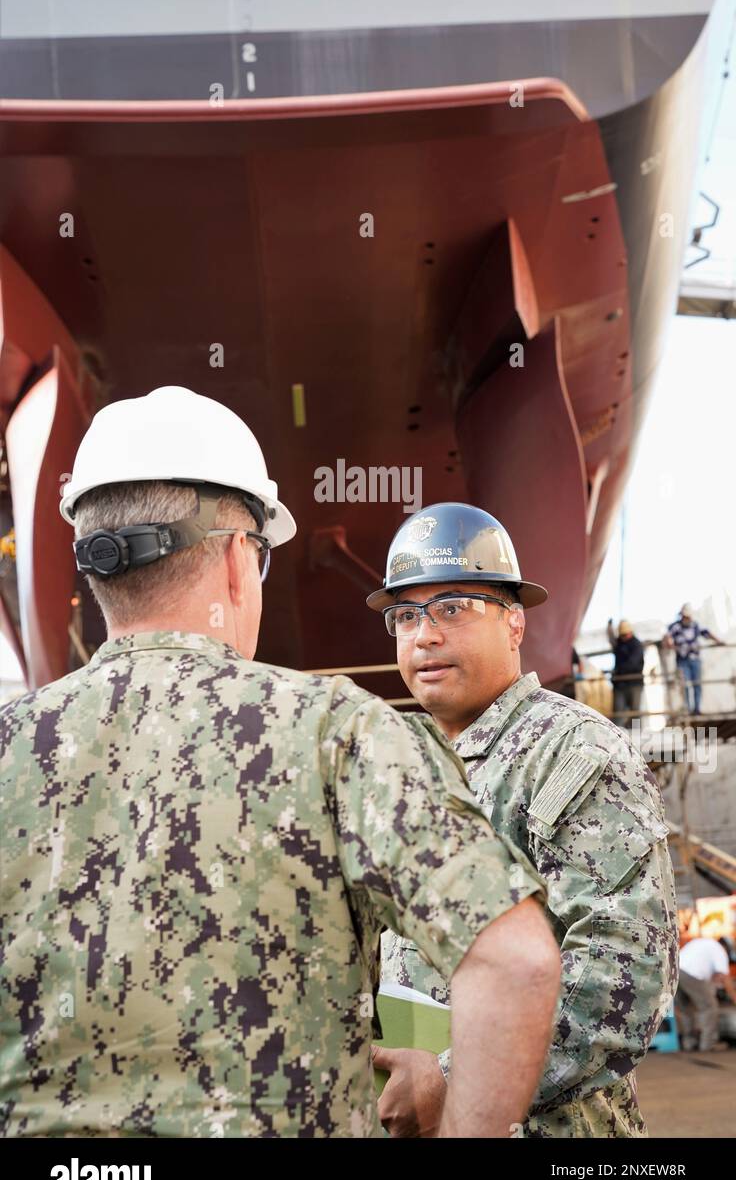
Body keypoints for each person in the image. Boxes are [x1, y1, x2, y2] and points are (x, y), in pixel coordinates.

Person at [0, 389, 561, 1140]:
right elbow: (518, 962)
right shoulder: (339, 731)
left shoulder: (10, 745)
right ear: (239, 558)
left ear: (94, 567)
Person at [368, 502, 678, 1139]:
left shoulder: (573, 753)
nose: (423, 635)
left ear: (513, 623)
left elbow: (623, 978)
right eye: (405, 615)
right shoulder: (403, 761)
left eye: (452, 608)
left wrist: (453, 1082)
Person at [675, 936, 736, 1052]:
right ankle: (706, 1045)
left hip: (675, 972)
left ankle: (689, 1043)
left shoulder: (704, 942)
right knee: (710, 1007)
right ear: (727, 948)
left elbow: (711, 977)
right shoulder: (720, 950)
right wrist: (734, 998)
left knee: (685, 1010)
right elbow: (726, 979)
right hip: (691, 975)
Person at [664, 603, 725, 717]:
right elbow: (667, 637)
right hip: (682, 660)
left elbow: (706, 633)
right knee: (685, 684)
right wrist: (670, 644)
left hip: (695, 659)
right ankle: (687, 709)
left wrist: (718, 641)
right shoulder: (675, 627)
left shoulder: (695, 625)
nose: (686, 618)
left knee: (697, 684)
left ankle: (696, 709)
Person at [607, 618, 645, 729]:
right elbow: (612, 640)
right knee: (618, 712)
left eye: (625, 635)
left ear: (630, 633)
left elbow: (633, 663)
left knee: (635, 711)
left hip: (634, 683)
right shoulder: (619, 643)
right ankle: (616, 733)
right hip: (620, 684)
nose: (623, 637)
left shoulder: (636, 645)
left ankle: (637, 733)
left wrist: (618, 671)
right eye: (622, 635)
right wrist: (609, 628)